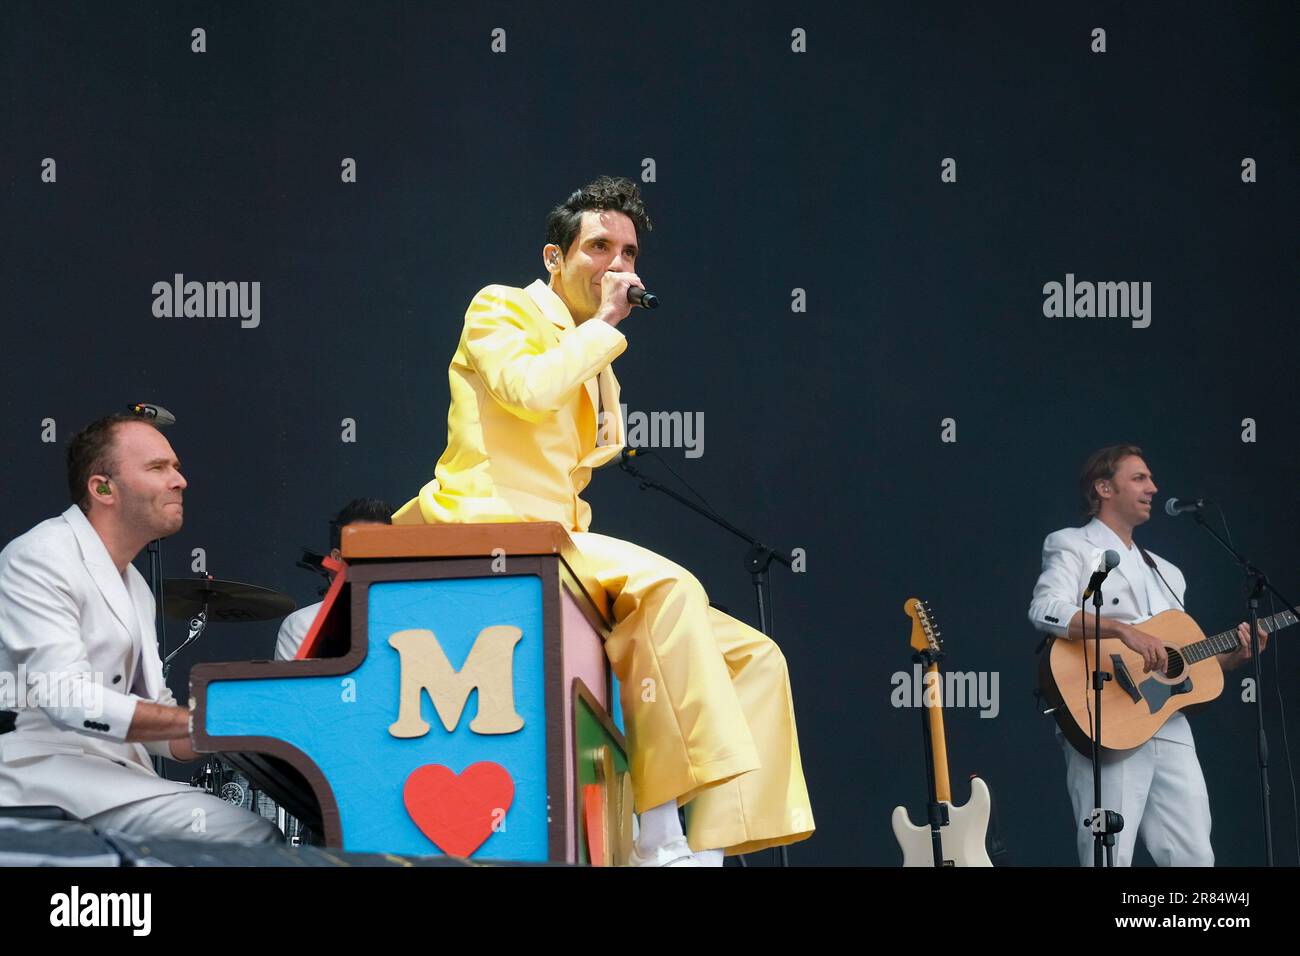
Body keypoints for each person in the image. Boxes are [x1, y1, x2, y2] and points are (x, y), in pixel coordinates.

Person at [394, 175, 813, 865]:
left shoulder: (592, 352)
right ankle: (658, 832)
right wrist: (603, 328)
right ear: (554, 259)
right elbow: (526, 392)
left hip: (560, 538)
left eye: (628, 250)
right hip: (491, 524)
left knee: (755, 658)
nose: (618, 264)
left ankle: (709, 840)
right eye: (598, 247)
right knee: (671, 587)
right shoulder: (501, 308)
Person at [0, 413, 279, 843]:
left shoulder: (137, 586)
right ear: (102, 488)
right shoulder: (39, 555)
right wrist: (202, 718)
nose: (179, 480)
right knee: (245, 834)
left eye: (176, 467)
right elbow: (68, 699)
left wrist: (252, 724)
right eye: (157, 468)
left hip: (113, 778)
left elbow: (162, 729)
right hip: (45, 771)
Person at [1029, 443, 1266, 865]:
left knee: (1194, 855)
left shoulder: (1168, 571)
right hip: (1106, 716)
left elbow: (1176, 664)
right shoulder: (1072, 544)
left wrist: (1230, 659)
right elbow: (1045, 609)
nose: (1153, 487)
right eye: (1139, 478)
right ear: (1104, 487)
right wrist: (1123, 631)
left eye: (1152, 479)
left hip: (1167, 722)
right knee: (1109, 856)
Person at [275, 497, 393, 660]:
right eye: (364, 548)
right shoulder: (303, 624)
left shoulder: (418, 615)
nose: (375, 557)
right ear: (337, 557)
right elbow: (304, 686)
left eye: (385, 549)